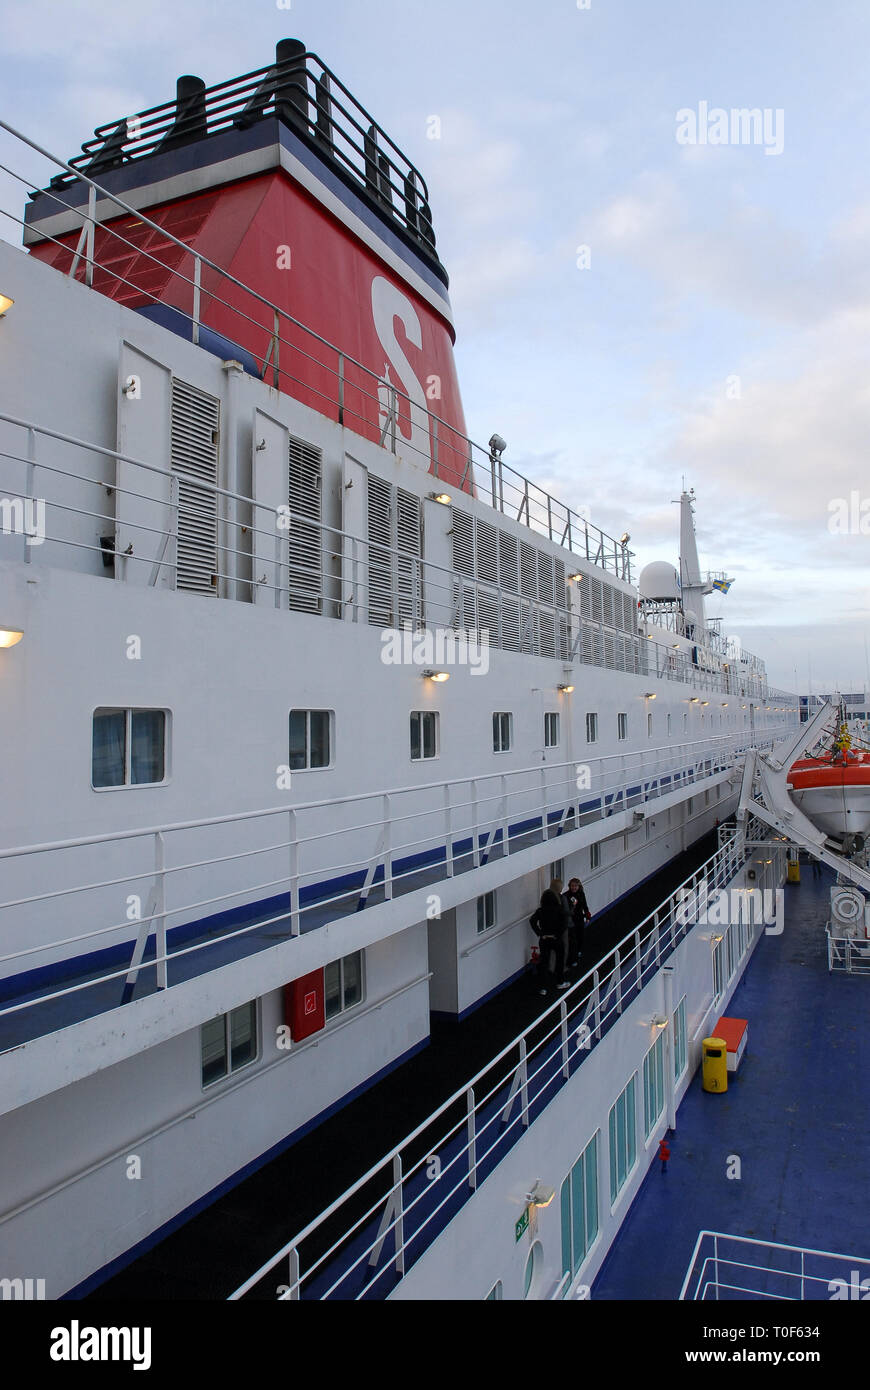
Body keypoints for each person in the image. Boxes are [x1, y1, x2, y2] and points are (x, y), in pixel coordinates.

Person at [530, 879, 571, 995]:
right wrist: (558, 934)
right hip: (556, 939)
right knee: (559, 961)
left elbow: (532, 921)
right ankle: (560, 982)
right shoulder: (559, 910)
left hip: (544, 940)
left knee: (544, 963)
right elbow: (564, 923)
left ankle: (543, 988)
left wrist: (540, 933)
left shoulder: (541, 910)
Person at [562, 876, 592, 971]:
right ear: (569, 886)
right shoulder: (566, 896)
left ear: (579, 886)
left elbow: (584, 905)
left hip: (579, 918)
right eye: (572, 886)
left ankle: (578, 951)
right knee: (572, 940)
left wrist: (587, 915)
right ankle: (573, 957)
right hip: (571, 920)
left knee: (581, 936)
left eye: (575, 886)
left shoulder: (581, 894)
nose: (574, 888)